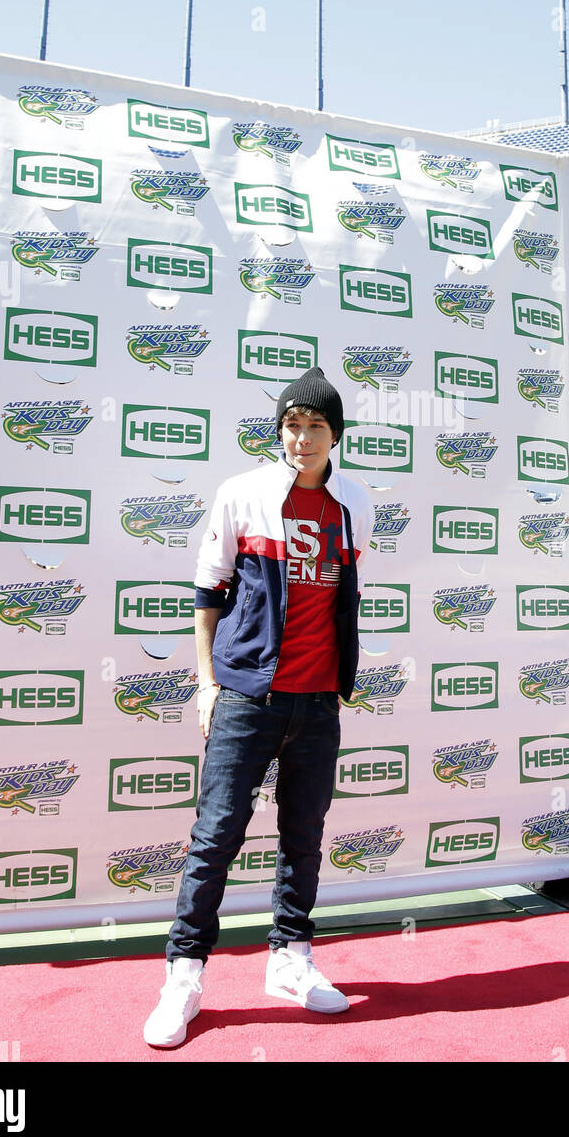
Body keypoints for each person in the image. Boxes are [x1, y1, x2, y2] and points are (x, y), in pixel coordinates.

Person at [143, 368, 375, 1048]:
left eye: (317, 426)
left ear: (336, 435)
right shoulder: (242, 493)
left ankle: (291, 958)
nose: (302, 438)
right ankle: (182, 977)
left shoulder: (356, 502)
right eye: (293, 425)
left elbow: (342, 599)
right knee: (216, 835)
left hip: (318, 701)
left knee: (304, 835)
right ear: (279, 431)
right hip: (247, 694)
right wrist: (208, 682)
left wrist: (335, 685)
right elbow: (207, 590)